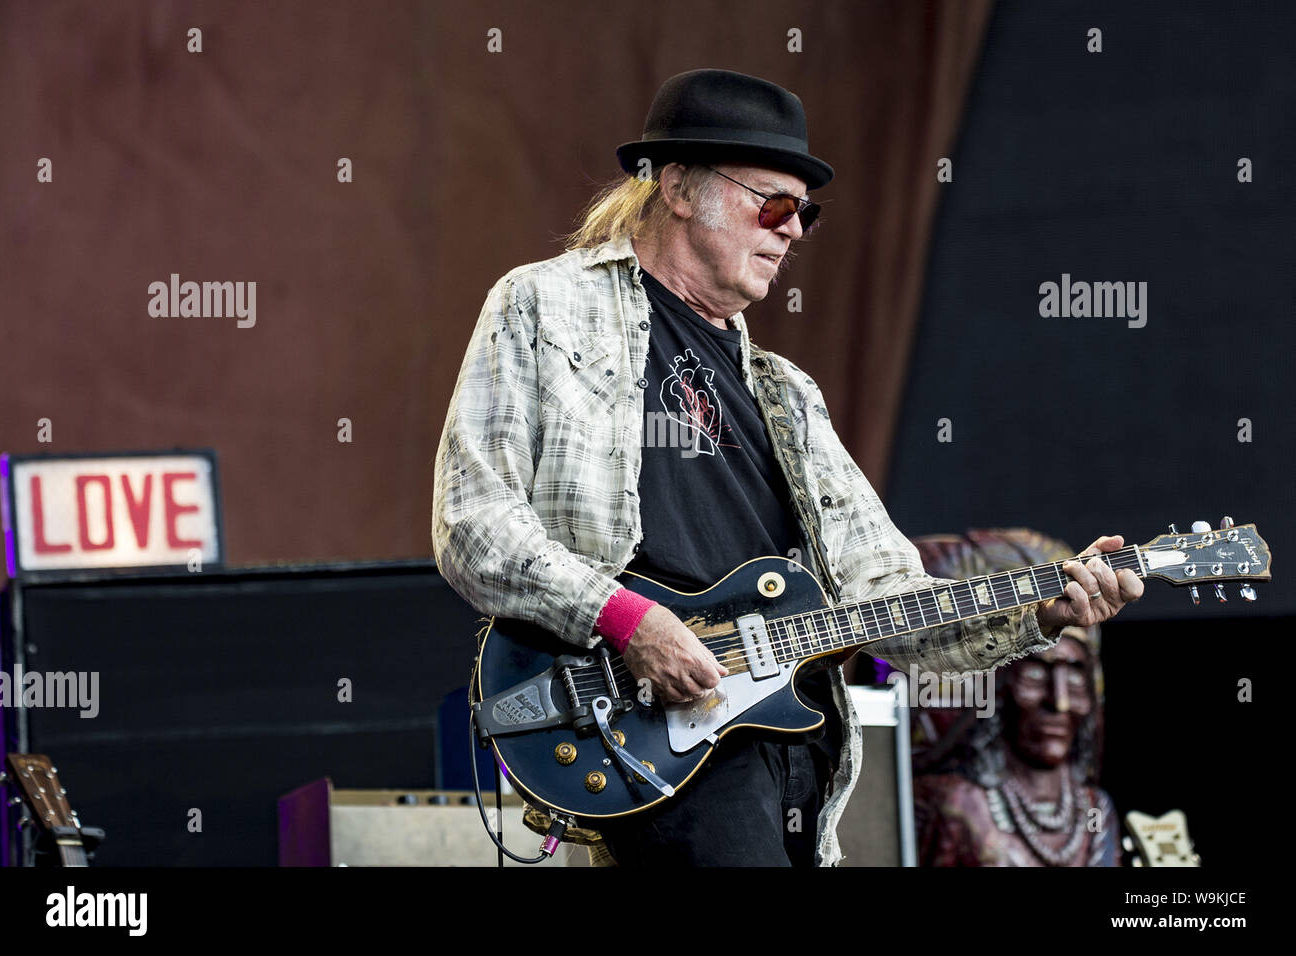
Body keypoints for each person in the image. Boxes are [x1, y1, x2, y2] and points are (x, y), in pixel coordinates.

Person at [432, 68, 1143, 867]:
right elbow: (475, 524)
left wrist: (1044, 610)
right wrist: (632, 622)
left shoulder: (789, 396)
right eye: (772, 203)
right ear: (676, 186)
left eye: (806, 212)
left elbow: (890, 600)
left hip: (796, 744)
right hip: (653, 720)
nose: (794, 230)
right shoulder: (545, 306)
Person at [909, 529, 1120, 866]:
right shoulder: (955, 804)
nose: (1059, 701)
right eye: (1036, 674)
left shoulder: (1096, 810)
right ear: (998, 689)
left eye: (1076, 676)